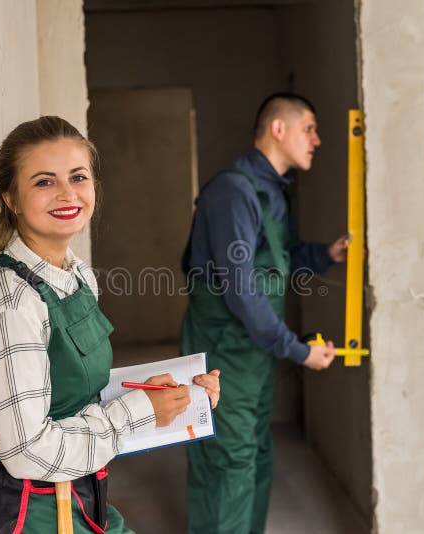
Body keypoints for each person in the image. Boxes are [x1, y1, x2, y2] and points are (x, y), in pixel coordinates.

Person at [0, 116, 221, 533]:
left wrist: (169, 392)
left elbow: (74, 395)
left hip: (81, 497)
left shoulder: (77, 274)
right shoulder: (10, 300)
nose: (67, 194)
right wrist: (139, 411)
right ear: (10, 198)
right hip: (37, 515)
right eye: (44, 182)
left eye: (77, 177)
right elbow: (27, 450)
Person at [181, 93, 349, 534]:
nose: (317, 139)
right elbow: (241, 287)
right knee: (227, 458)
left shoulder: (272, 191)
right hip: (223, 348)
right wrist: (295, 349)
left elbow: (281, 256)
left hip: (252, 350)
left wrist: (325, 255)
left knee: (254, 450)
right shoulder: (232, 192)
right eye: (309, 128)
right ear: (279, 129)